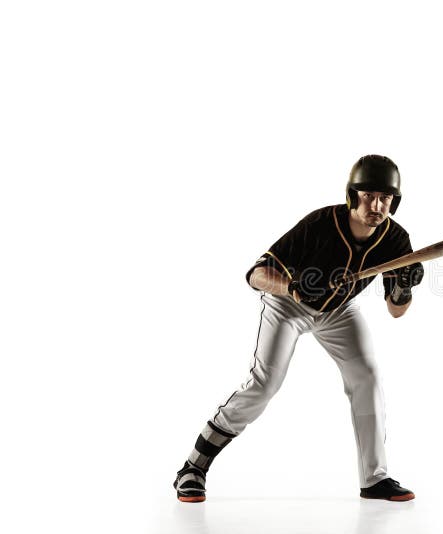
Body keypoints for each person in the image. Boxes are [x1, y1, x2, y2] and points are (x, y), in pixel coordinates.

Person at [173, 155, 424, 503]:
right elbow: (256, 274)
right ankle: (193, 467)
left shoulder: (396, 239)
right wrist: (292, 288)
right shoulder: (321, 223)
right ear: (353, 195)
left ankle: (374, 479)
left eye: (385, 198)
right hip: (288, 306)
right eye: (368, 195)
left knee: (366, 376)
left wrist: (404, 289)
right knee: (265, 384)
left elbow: (397, 312)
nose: (377, 205)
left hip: (339, 310)